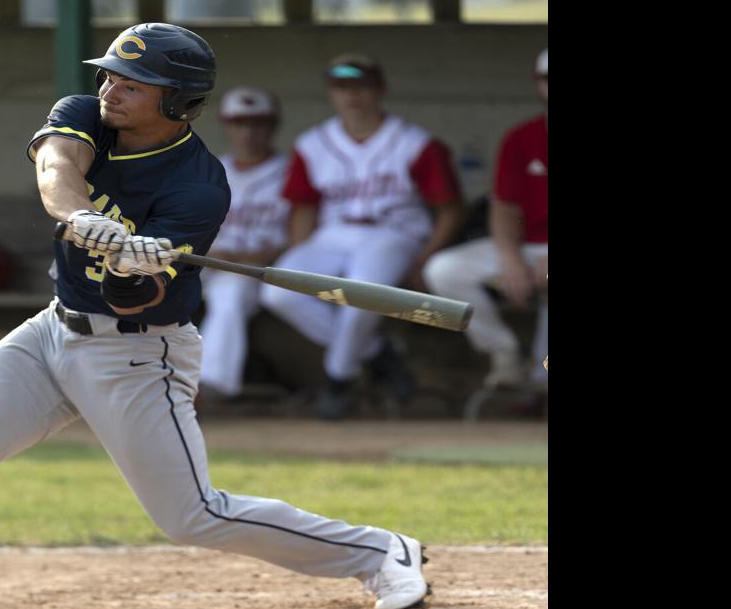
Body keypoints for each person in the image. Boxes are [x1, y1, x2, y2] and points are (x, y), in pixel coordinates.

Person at [0, 23, 431, 609]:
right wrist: (85, 219)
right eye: (111, 75)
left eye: (133, 83)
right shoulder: (84, 115)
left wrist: (138, 263)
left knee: (192, 515)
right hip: (50, 332)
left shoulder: (198, 185)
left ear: (175, 100)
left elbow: (139, 302)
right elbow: (55, 168)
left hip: (138, 354)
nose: (111, 89)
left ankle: (379, 551)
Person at [258, 54, 466, 419]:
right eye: (342, 87)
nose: (351, 96)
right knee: (277, 293)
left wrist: (423, 260)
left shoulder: (413, 142)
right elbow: (303, 209)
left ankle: (338, 380)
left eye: (361, 87)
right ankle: (375, 353)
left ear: (380, 91)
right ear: (330, 93)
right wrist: (300, 257)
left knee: (361, 298)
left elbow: (450, 207)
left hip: (393, 234)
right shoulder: (313, 144)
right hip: (333, 235)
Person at [424, 48, 549, 392]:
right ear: (538, 84)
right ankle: (506, 351)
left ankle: (541, 377)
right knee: (444, 269)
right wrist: (510, 261)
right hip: (525, 247)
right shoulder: (521, 138)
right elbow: (504, 208)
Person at [198, 86, 292, 400]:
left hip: (260, 269)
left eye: (257, 123)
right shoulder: (208, 170)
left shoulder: (291, 172)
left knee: (231, 291)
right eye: (240, 123)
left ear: (273, 126)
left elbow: (305, 235)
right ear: (226, 125)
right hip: (208, 262)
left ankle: (212, 384)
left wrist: (262, 255)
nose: (248, 132)